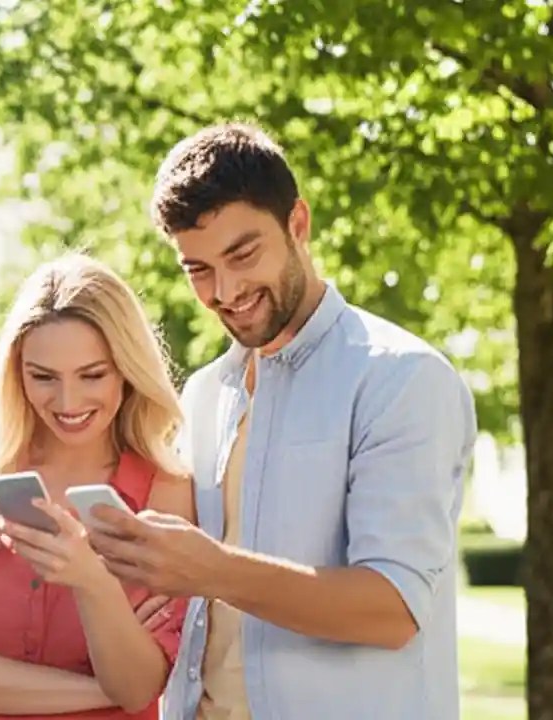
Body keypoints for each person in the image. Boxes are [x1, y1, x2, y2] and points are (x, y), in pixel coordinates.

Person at [87, 123, 478, 720]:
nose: (227, 290)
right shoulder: (203, 396)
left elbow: (393, 608)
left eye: (243, 255)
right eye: (199, 270)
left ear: (299, 224)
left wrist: (211, 569)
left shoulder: (400, 379)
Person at [0, 254, 195, 719]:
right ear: (16, 373)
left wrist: (90, 578)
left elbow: (140, 682)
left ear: (128, 369)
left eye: (93, 375)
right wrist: (102, 691)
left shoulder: (166, 490)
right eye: (43, 377)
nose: (68, 402)